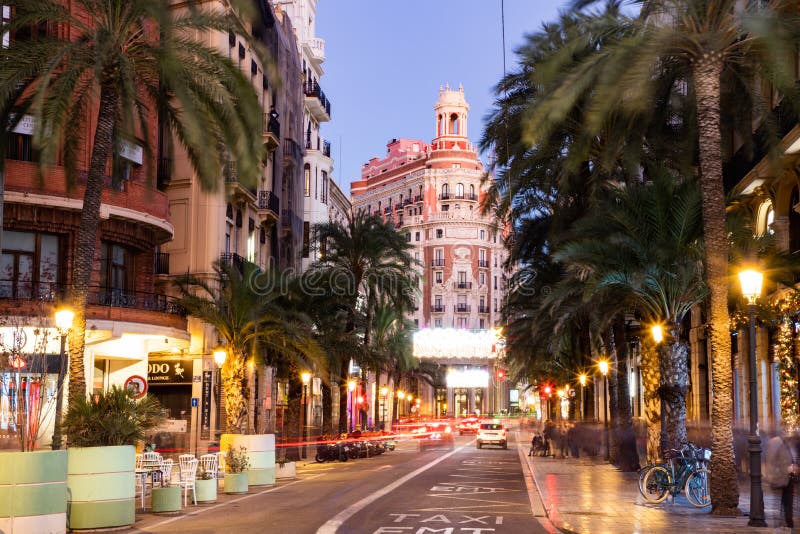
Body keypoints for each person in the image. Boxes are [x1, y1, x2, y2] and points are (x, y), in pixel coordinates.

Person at [764, 431, 799, 528]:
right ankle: (785, 522)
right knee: (783, 501)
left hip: (788, 478)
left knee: (786, 501)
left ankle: (787, 521)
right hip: (782, 477)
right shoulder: (779, 444)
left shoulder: (788, 445)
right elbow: (775, 461)